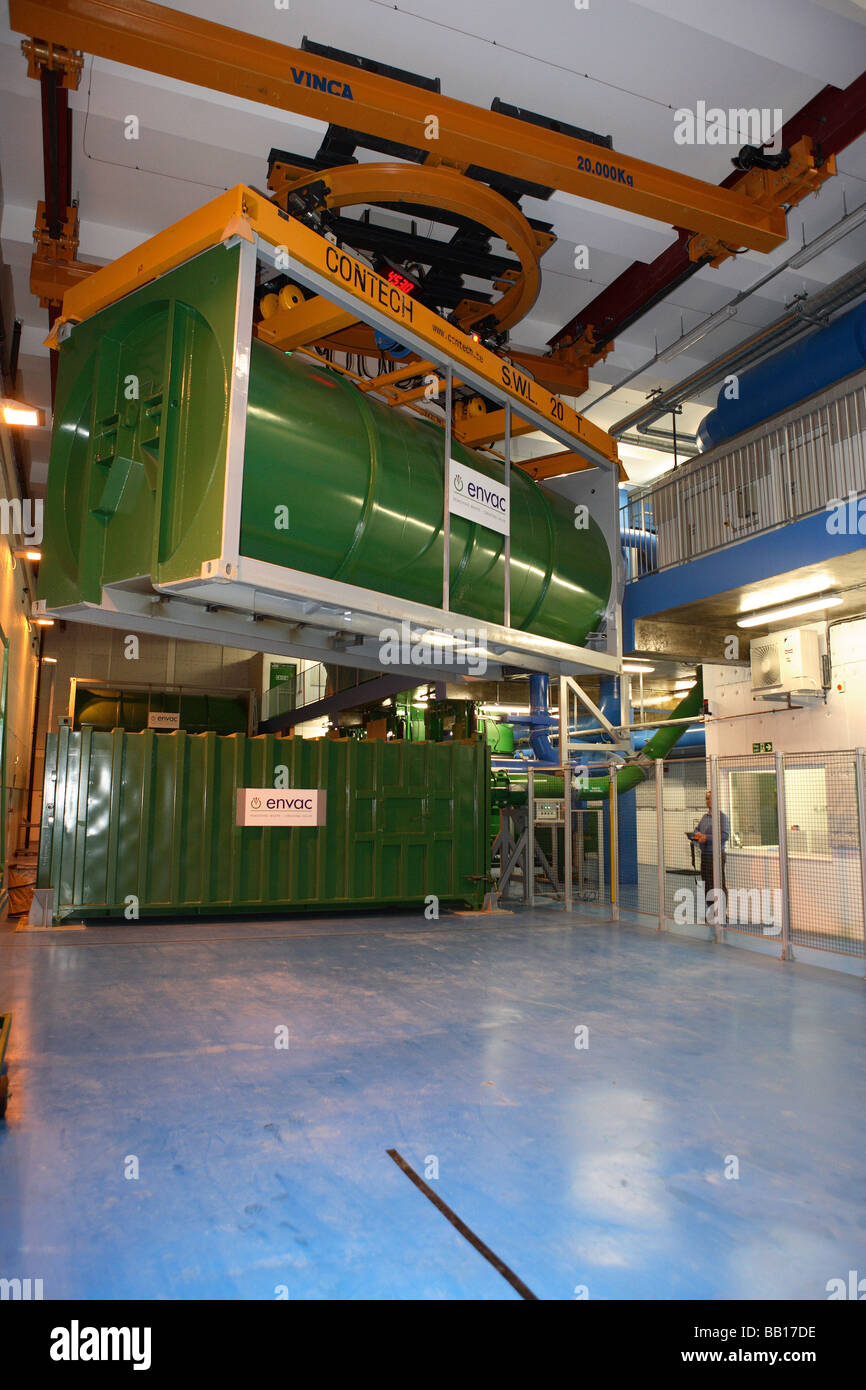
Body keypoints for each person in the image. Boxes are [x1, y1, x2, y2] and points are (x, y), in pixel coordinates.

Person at [689, 790, 729, 914]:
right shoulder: (704, 817)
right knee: (707, 883)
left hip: (716, 855)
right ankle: (711, 910)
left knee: (718, 883)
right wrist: (697, 835)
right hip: (705, 855)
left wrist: (707, 837)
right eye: (707, 798)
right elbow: (696, 830)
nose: (708, 801)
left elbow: (725, 835)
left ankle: (721, 912)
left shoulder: (722, 817)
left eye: (710, 798)